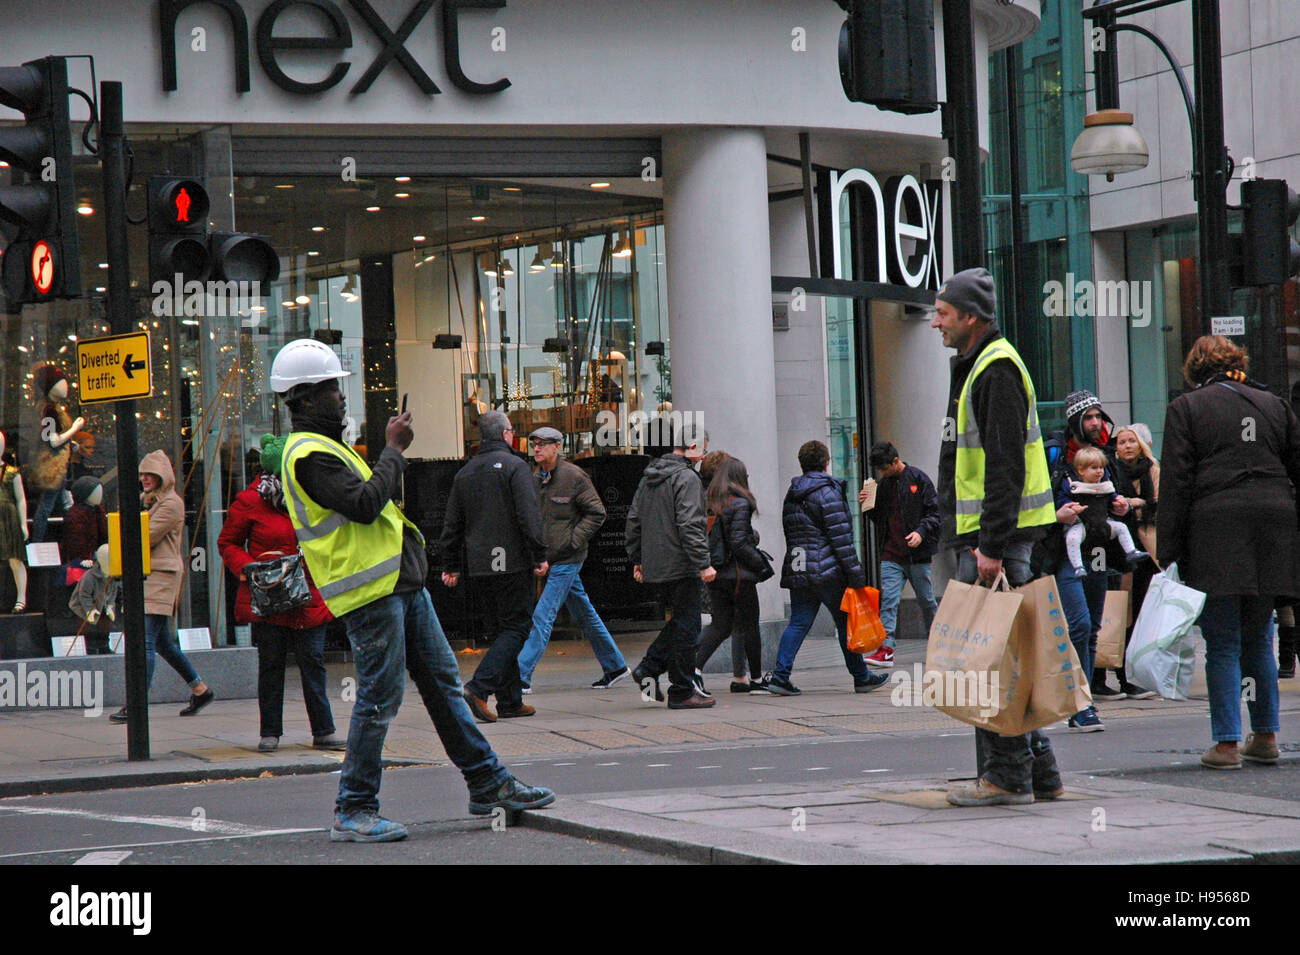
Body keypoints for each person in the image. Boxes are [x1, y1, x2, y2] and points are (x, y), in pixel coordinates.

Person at [271, 339, 553, 842]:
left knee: (444, 685)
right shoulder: (308, 454)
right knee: (379, 696)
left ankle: (488, 783)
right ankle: (353, 808)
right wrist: (394, 451)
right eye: (334, 389)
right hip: (371, 595)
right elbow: (363, 504)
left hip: (400, 586)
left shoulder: (330, 448)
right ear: (306, 398)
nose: (342, 398)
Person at [930, 267, 1063, 807]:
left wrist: (989, 546)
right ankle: (1041, 771)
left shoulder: (995, 370)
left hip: (995, 542)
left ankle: (1006, 777)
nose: (935, 322)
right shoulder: (978, 365)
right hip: (993, 538)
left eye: (942, 313)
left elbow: (1004, 466)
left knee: (988, 660)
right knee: (1004, 655)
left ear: (970, 317)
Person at [1158, 335, 1298, 770]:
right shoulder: (1274, 405)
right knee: (1259, 636)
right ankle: (1267, 735)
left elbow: (1177, 483)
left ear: (1194, 368)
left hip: (1216, 530)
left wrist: (1168, 549)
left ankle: (1226, 744)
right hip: (1274, 528)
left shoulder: (1187, 407)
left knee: (1221, 641)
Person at [218, 433, 345, 753]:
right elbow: (228, 543)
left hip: (308, 594)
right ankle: (270, 731)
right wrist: (248, 568)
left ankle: (324, 730)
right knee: (271, 663)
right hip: (271, 595)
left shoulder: (311, 497)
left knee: (313, 662)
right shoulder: (249, 501)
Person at [440, 410, 549, 721]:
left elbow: (453, 523)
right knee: (517, 627)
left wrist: (450, 564)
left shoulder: (465, 472)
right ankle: (478, 688)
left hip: (480, 564)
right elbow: (528, 516)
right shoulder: (516, 467)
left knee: (502, 630)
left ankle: (510, 700)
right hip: (512, 560)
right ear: (505, 434)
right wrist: (539, 554)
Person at [768, 440, 890, 696]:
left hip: (800, 567)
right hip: (828, 570)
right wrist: (856, 575)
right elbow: (841, 538)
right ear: (826, 463)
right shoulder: (828, 491)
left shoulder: (792, 494)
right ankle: (861, 677)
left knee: (798, 622)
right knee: (845, 623)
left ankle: (780, 676)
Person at [516, 426, 629, 692]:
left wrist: (573, 541)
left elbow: (597, 513)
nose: (537, 448)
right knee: (585, 613)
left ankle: (520, 676)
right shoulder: (534, 478)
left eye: (543, 443)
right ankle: (616, 666)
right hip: (549, 556)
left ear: (558, 446)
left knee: (543, 615)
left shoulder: (574, 476)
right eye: (534, 443)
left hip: (568, 557)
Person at [1043, 389, 1130, 726]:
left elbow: (1114, 498)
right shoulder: (1054, 453)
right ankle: (1079, 704)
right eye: (1088, 417)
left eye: (1098, 416)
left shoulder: (1106, 454)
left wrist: (1120, 507)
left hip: (1097, 550)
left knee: (1092, 627)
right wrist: (1056, 514)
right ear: (1075, 421)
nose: (1095, 423)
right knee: (1078, 624)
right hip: (1063, 550)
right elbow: (1035, 498)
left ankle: (1084, 703)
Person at [109, 450, 215, 723]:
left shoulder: (171, 503)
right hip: (150, 575)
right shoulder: (149, 502)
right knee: (163, 643)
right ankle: (200, 689)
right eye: (142, 474)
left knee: (144, 640)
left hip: (161, 576)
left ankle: (136, 703)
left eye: (150, 474)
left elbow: (144, 536)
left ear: (162, 476)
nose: (144, 479)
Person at [625, 420, 717, 708]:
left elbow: (634, 520)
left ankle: (650, 669)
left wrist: (638, 558)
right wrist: (703, 563)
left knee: (680, 622)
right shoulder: (686, 478)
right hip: (682, 562)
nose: (703, 455)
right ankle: (681, 689)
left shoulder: (649, 477)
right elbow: (691, 524)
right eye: (702, 449)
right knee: (688, 627)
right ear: (690, 447)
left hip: (657, 564)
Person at [860, 440, 940, 668]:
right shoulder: (883, 485)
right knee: (889, 601)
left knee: (926, 601)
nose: (883, 473)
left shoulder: (918, 479)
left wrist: (920, 533)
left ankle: (938, 645)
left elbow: (934, 514)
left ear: (896, 461)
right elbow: (879, 519)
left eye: (885, 468)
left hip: (917, 555)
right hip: (892, 554)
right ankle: (885, 649)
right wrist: (868, 506)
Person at [696, 456, 767, 692]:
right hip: (739, 574)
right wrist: (761, 564)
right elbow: (738, 542)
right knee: (750, 625)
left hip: (716, 573)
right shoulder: (739, 502)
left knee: (720, 625)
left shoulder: (710, 502)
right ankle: (756, 679)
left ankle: (693, 670)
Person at [1109, 425, 1160, 698]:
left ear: (1141, 444)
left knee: (1142, 613)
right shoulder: (1111, 468)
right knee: (1123, 613)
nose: (1127, 446)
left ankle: (1137, 672)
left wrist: (1133, 503)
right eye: (1122, 442)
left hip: (1148, 548)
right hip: (1120, 548)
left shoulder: (1152, 467)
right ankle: (1123, 675)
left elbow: (1159, 502)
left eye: (1132, 441)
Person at [1061, 446, 1148, 577]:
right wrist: (1070, 507)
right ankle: (1078, 567)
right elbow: (1062, 500)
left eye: (1101, 468)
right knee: (1072, 539)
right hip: (1082, 529)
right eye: (1094, 468)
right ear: (1081, 470)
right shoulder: (1071, 485)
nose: (1099, 472)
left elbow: (1113, 496)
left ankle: (1131, 552)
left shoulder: (1106, 484)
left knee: (1098, 576)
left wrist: (1119, 502)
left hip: (1100, 537)